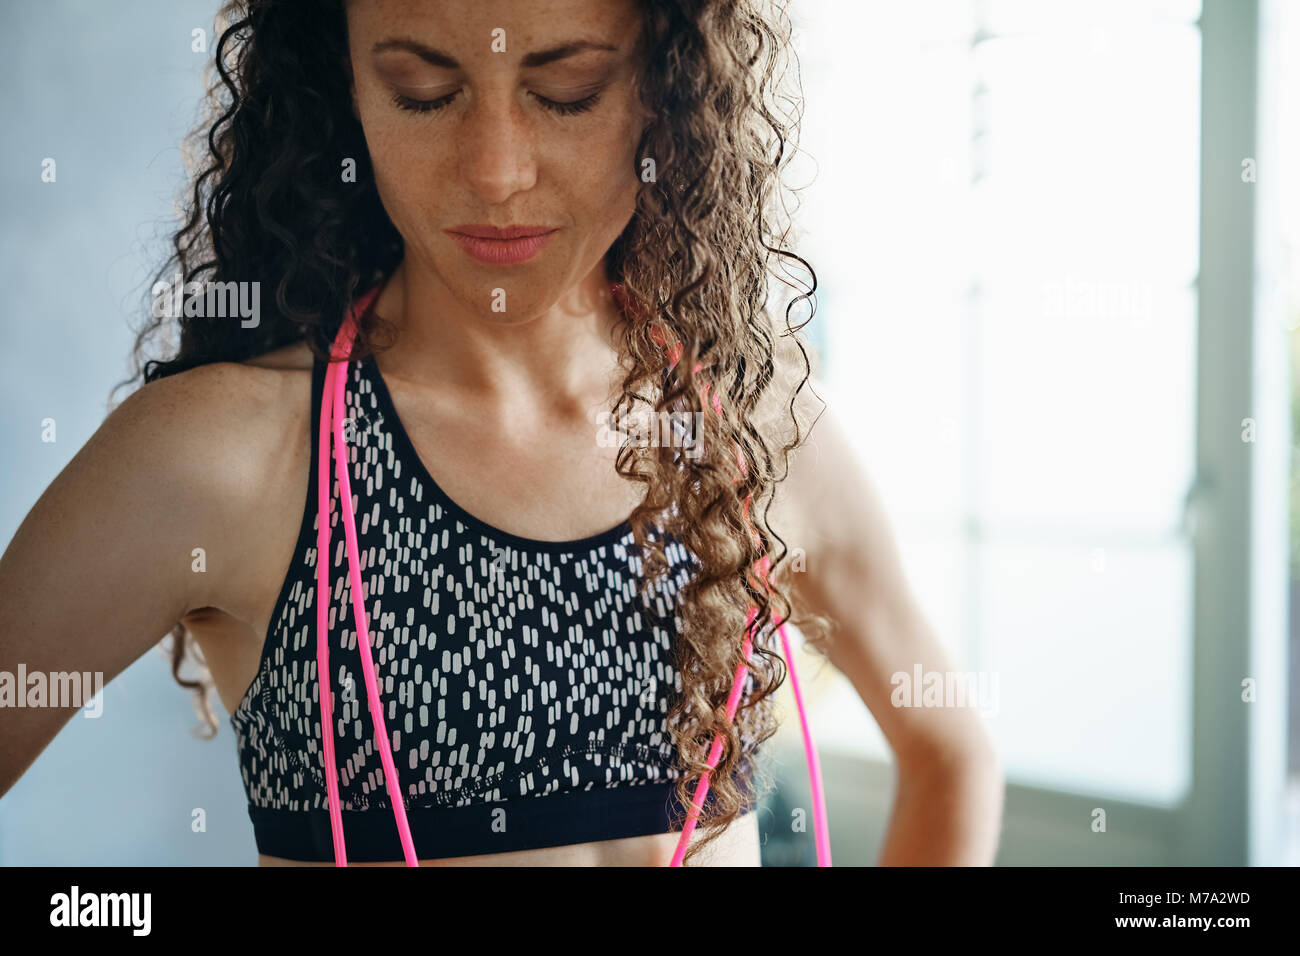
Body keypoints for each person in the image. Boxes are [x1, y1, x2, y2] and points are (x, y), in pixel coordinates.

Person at [0, 0, 1003, 866]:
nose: (494, 172)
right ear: (337, 81)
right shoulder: (228, 456)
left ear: (666, 84)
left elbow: (948, 752)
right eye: (421, 91)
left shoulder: (744, 422)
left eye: (566, 89)